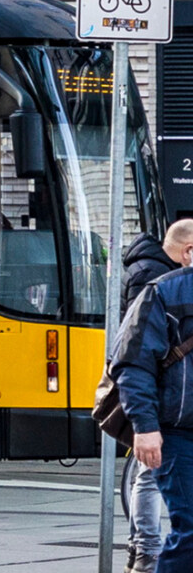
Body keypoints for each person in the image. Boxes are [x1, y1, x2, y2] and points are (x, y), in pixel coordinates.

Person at [112, 239, 193, 572]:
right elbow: (133, 363)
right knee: (191, 528)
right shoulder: (165, 292)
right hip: (179, 432)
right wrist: (145, 427)